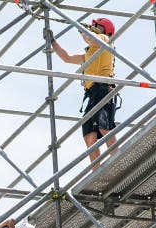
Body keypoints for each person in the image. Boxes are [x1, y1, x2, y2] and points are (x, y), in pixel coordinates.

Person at [51, 18, 118, 168]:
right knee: (89, 136)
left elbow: (92, 38)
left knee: (104, 127)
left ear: (103, 29)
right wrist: (53, 42)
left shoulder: (105, 40)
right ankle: (96, 170)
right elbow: (66, 58)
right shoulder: (90, 53)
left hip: (103, 89)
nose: (93, 28)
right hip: (93, 93)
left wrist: (82, 29)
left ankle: (119, 162)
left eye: (96, 26)